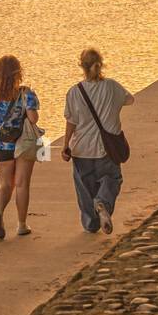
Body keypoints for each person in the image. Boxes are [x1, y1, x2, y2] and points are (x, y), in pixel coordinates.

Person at [62, 47, 133, 235]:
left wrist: (65, 145)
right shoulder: (111, 86)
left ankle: (91, 223)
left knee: (85, 189)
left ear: (81, 66)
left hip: (81, 149)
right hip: (107, 148)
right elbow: (130, 100)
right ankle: (103, 202)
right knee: (112, 179)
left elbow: (71, 122)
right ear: (101, 65)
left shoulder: (74, 92)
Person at [0, 55, 40, 240]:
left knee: (5, 183)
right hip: (22, 142)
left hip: (1, 142)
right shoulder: (26, 93)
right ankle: (22, 225)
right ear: (19, 73)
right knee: (22, 184)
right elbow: (33, 119)